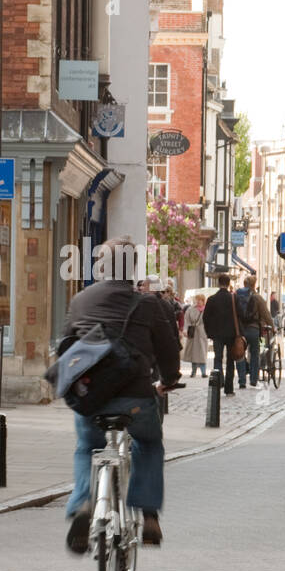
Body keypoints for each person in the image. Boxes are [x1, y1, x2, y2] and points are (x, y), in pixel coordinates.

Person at [61, 236, 180, 552]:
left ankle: (84, 504)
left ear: (102, 267)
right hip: (136, 396)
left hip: (90, 398)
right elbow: (168, 351)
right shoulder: (149, 303)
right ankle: (149, 515)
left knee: (87, 445)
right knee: (149, 443)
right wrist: (169, 380)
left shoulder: (81, 300)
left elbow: (66, 347)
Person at [203, 275, 242, 395]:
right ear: (228, 283)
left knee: (218, 358)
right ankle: (229, 389)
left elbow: (205, 318)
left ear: (218, 283)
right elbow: (241, 315)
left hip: (217, 334)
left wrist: (209, 332)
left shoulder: (212, 299)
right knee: (230, 361)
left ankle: (218, 382)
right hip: (231, 334)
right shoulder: (234, 298)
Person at [233, 275, 263, 390]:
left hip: (240, 330)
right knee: (255, 353)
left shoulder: (237, 296)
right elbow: (265, 313)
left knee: (240, 353)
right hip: (254, 329)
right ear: (254, 284)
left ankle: (242, 381)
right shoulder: (257, 298)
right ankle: (254, 379)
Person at [182, 293, 209, 378]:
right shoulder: (190, 309)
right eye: (197, 300)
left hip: (202, 332)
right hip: (193, 332)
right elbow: (186, 320)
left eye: (200, 300)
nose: (198, 302)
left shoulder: (207, 309)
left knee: (202, 353)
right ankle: (193, 371)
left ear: (203, 300)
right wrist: (185, 330)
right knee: (194, 353)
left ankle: (203, 372)